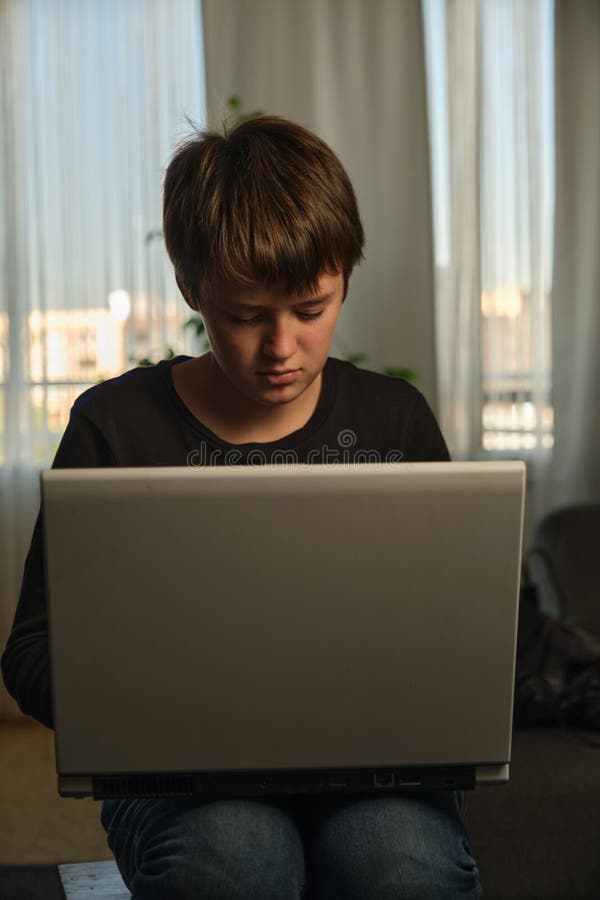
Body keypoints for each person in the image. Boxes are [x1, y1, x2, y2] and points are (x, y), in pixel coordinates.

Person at [2, 115, 482, 899]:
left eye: (312, 309)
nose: (282, 347)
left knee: (400, 864)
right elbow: (31, 651)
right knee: (233, 858)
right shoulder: (116, 426)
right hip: (179, 774)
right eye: (247, 315)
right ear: (191, 288)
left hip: (379, 768)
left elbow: (462, 630)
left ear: (345, 277)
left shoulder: (395, 421)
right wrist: (148, 699)